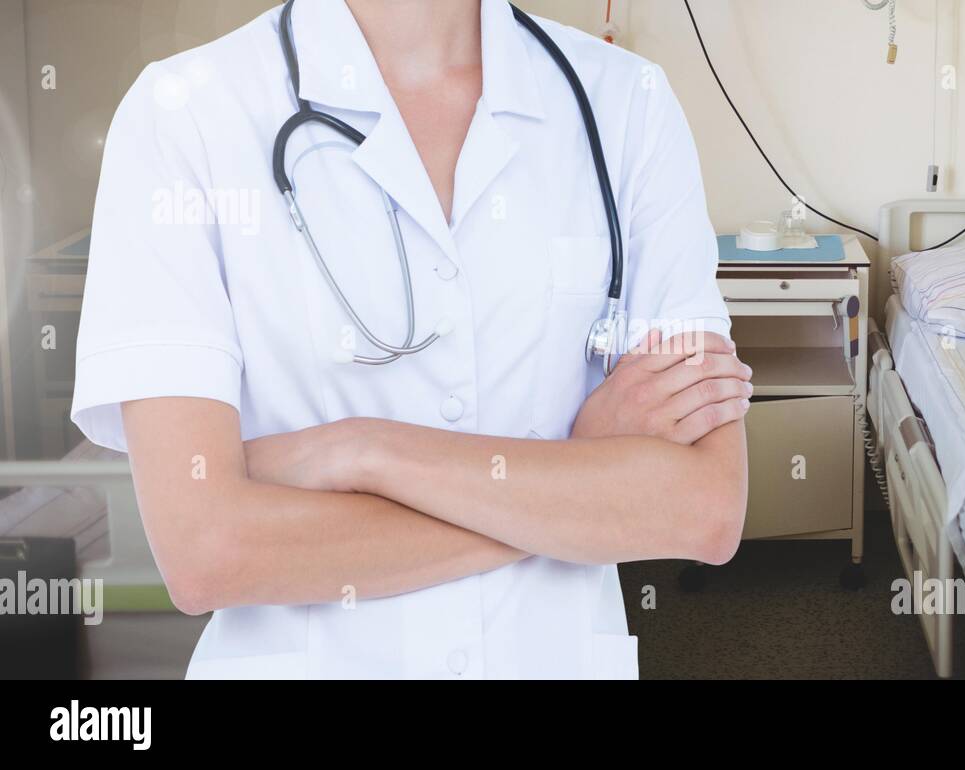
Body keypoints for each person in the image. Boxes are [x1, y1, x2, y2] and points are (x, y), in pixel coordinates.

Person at [70, 0, 749, 679]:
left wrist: (363, 450)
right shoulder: (185, 114)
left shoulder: (627, 104)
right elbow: (206, 549)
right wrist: (579, 474)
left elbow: (705, 510)